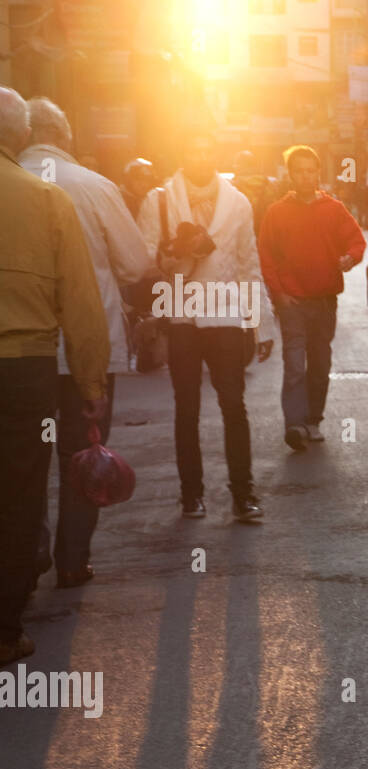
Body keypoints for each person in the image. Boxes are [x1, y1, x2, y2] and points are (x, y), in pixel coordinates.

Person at [18, 97, 153, 589]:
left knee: (25, 458)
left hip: (21, 354)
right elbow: (137, 265)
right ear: (65, 136)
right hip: (86, 356)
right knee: (82, 457)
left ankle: (26, 559)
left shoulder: (12, 183)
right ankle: (73, 561)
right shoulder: (95, 188)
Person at [0, 87, 109, 665]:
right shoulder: (45, 201)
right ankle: (5, 626)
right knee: (19, 495)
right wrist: (91, 386)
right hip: (26, 373)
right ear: (19, 136)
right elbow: (84, 309)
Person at [137, 130, 273, 522]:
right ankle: (191, 495)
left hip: (226, 315)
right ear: (182, 153)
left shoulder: (239, 202)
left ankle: (244, 494)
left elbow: (249, 264)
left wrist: (261, 324)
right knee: (187, 408)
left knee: (234, 405)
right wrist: (173, 252)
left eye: (206, 148)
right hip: (181, 314)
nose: (199, 155)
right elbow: (144, 260)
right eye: (192, 148)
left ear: (216, 153)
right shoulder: (158, 200)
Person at [259, 144, 366, 450]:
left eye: (310, 171)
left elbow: (356, 241)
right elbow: (266, 254)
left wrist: (350, 258)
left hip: (324, 301)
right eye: (299, 171)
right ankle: (294, 425)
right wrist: (279, 293)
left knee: (319, 364)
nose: (305, 177)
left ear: (318, 173)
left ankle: (313, 421)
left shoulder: (333, 209)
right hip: (292, 301)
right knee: (294, 364)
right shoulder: (276, 212)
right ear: (290, 175)